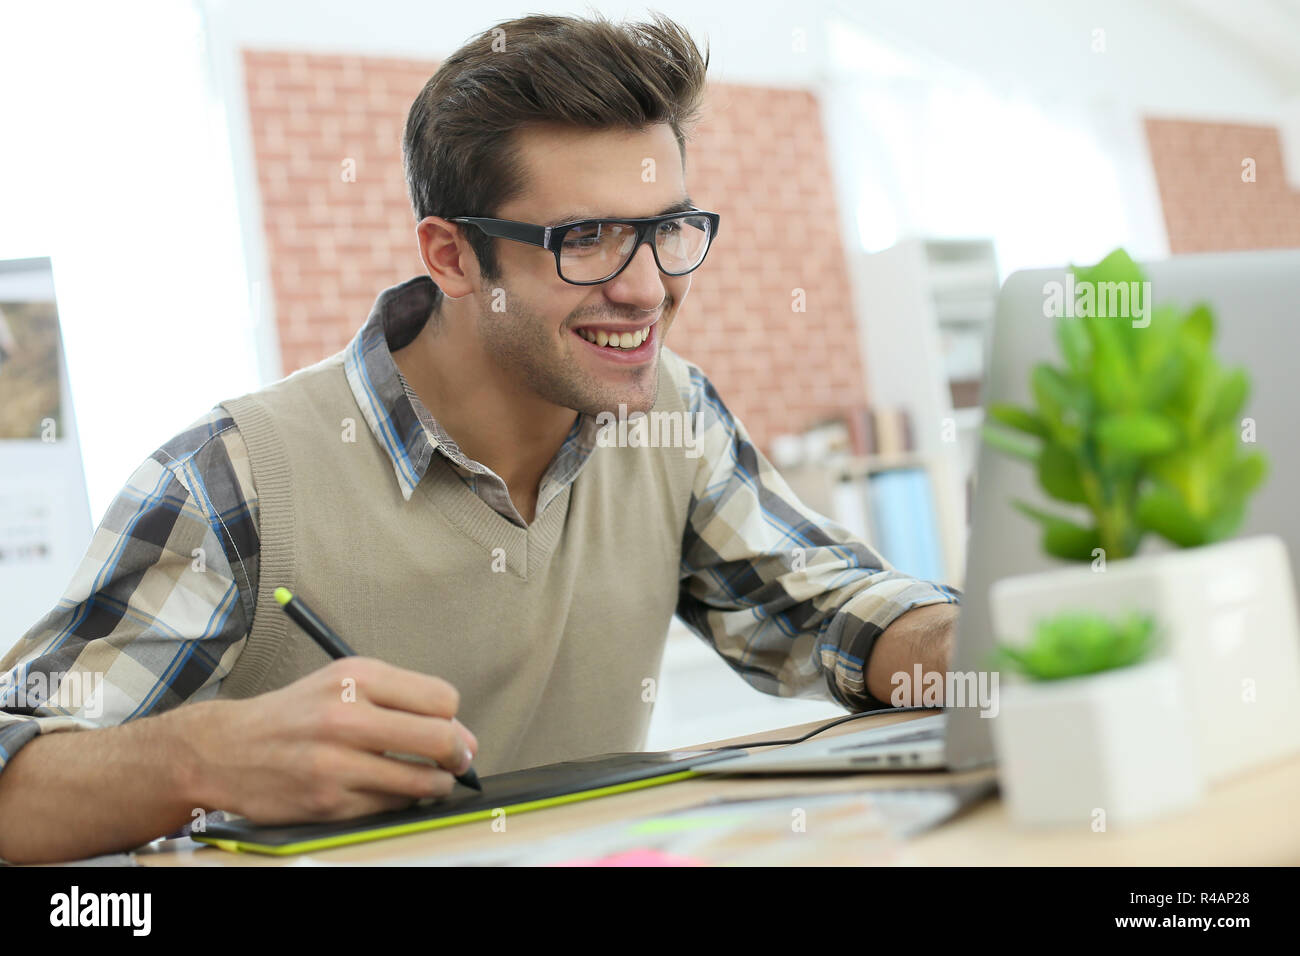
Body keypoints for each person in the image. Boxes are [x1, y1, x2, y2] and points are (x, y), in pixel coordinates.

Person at [0, 11, 959, 864]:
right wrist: (199, 758)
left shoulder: (674, 415)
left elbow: (829, 611)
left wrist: (976, 649)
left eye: (668, 228)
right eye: (585, 239)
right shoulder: (233, 480)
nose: (646, 289)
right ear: (452, 256)